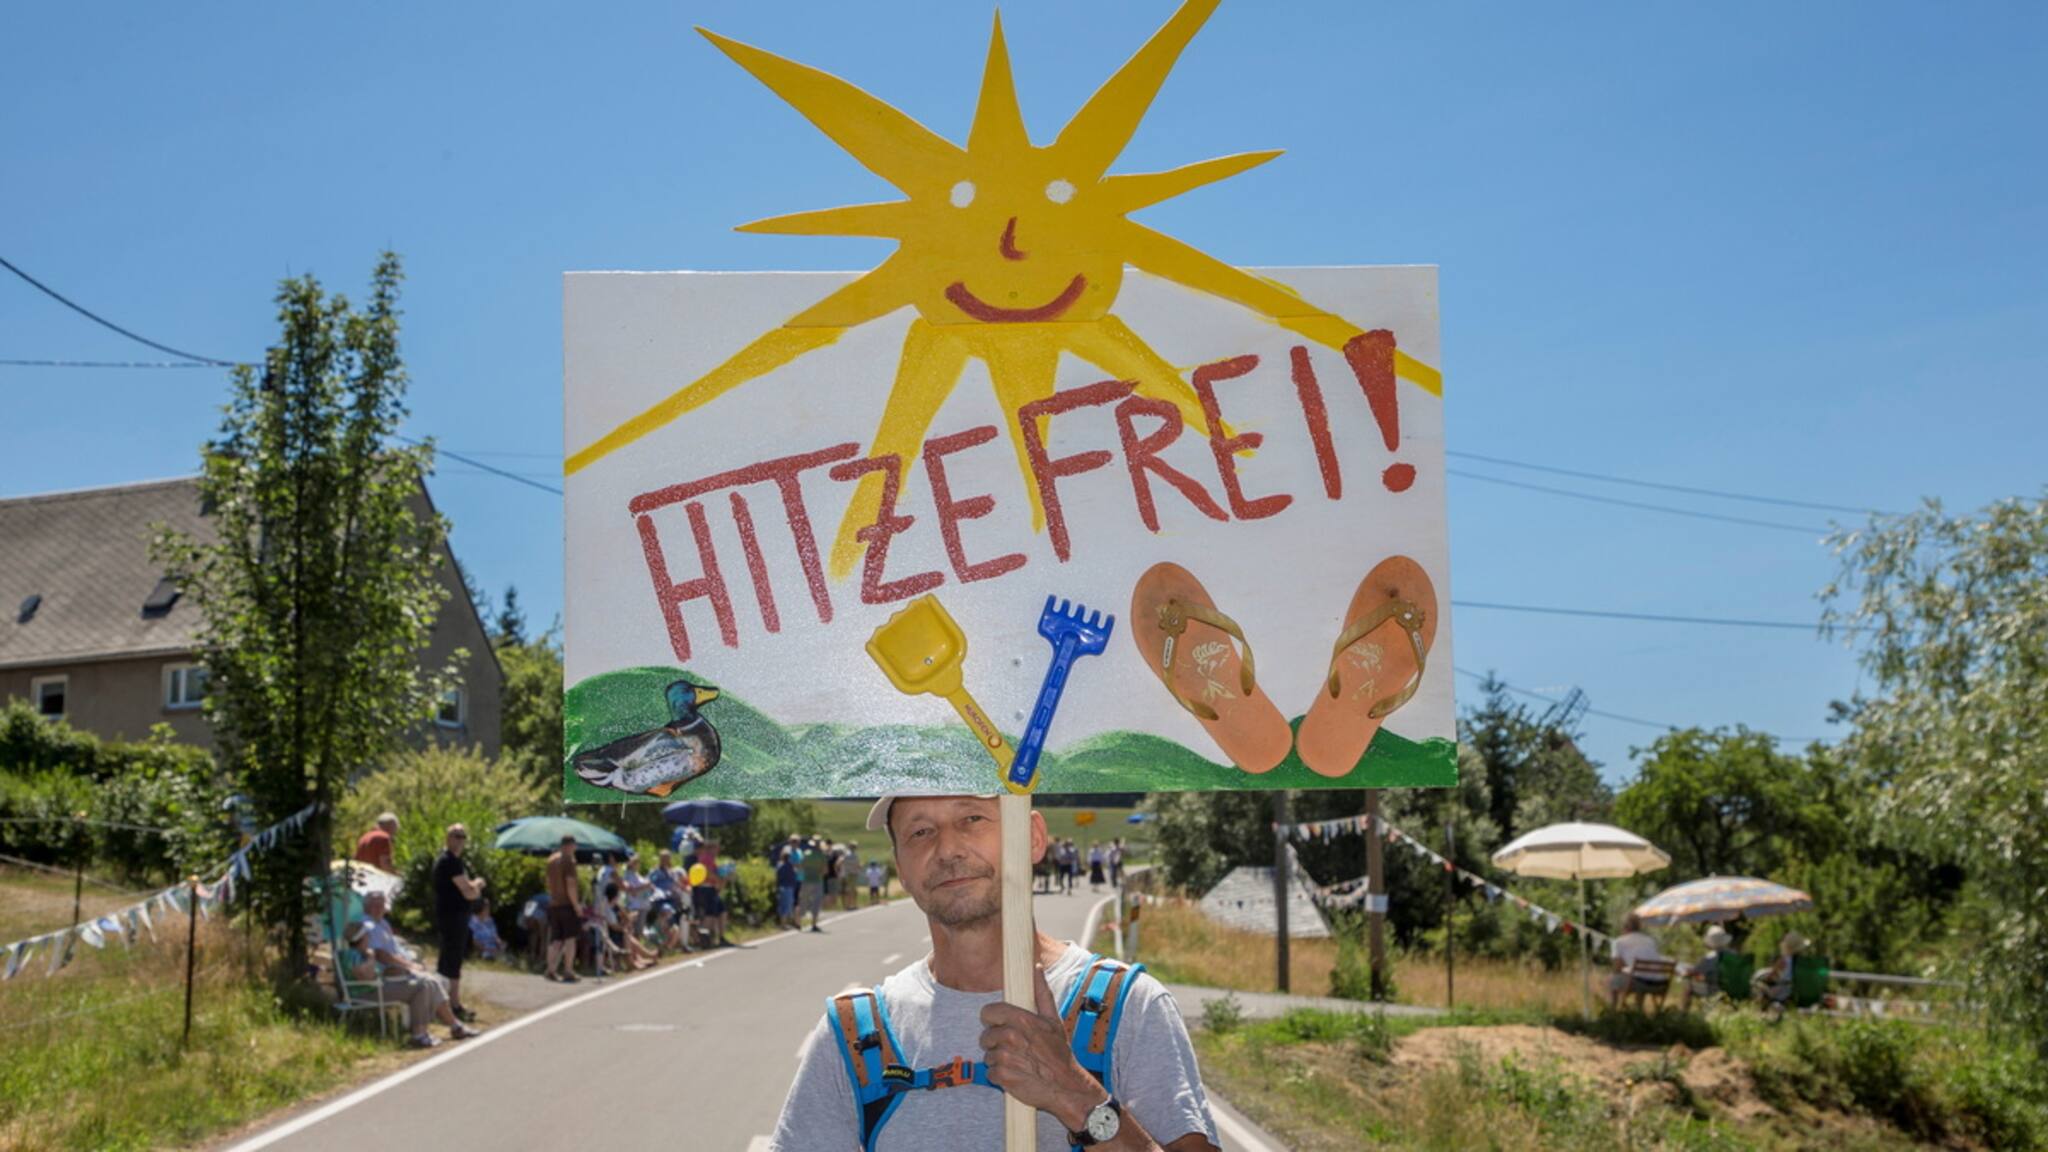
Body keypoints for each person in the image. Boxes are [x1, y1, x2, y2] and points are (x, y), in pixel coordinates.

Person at [767, 795, 1219, 1151]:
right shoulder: (851, 1035)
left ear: (1033, 836)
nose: (947, 849)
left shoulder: (1129, 1006)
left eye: (972, 819)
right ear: (900, 867)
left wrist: (1078, 1097)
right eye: (920, 831)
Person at [357, 890, 480, 1046]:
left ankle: (451, 1026)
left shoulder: (382, 923)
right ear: (366, 907)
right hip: (384, 976)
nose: (379, 907)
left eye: (381, 904)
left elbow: (394, 949)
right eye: (375, 904)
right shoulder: (368, 925)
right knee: (425, 985)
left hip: (395, 973)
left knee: (431, 981)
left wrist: (412, 961)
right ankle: (426, 1032)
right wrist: (410, 965)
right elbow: (381, 954)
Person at [340, 919, 473, 1048]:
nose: (369, 937)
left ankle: (443, 1027)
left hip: (375, 989)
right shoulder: (353, 955)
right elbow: (365, 977)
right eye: (367, 934)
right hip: (367, 993)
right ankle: (421, 1033)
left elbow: (373, 974)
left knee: (426, 983)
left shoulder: (359, 953)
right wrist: (370, 958)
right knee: (421, 987)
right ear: (362, 938)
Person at [431, 823, 486, 1021]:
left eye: (462, 836)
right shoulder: (450, 862)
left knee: (449, 960)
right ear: (447, 838)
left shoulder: (454, 861)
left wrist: (472, 888)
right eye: (455, 835)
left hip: (453, 916)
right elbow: (468, 891)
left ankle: (444, 1003)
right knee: (451, 961)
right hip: (452, 916)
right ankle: (452, 1005)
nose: (459, 839)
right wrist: (478, 883)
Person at [1607, 912, 1671, 1010]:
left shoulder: (1619, 942)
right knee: (1637, 975)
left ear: (1624, 926)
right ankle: (1637, 1010)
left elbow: (1617, 968)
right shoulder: (1650, 941)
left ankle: (1613, 1011)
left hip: (1638, 983)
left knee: (1612, 979)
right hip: (1659, 984)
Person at [544, 834, 584, 983]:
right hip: (567, 904)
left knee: (556, 939)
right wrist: (576, 905)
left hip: (554, 903)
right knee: (570, 939)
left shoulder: (551, 860)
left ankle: (551, 969)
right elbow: (571, 884)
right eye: (574, 846)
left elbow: (548, 882)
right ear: (570, 845)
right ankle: (568, 970)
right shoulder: (569, 860)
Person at [1753, 931, 1808, 1010]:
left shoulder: (1783, 960)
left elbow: (1771, 976)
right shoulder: (1804, 962)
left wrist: (1768, 979)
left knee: (1759, 984)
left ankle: (1762, 1006)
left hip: (1784, 991)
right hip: (1799, 990)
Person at [775, 842, 801, 929]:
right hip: (788, 888)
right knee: (787, 906)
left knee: (782, 906)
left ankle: (783, 923)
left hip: (781, 887)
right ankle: (783, 924)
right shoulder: (790, 866)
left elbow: (777, 877)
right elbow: (794, 877)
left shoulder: (779, 865)